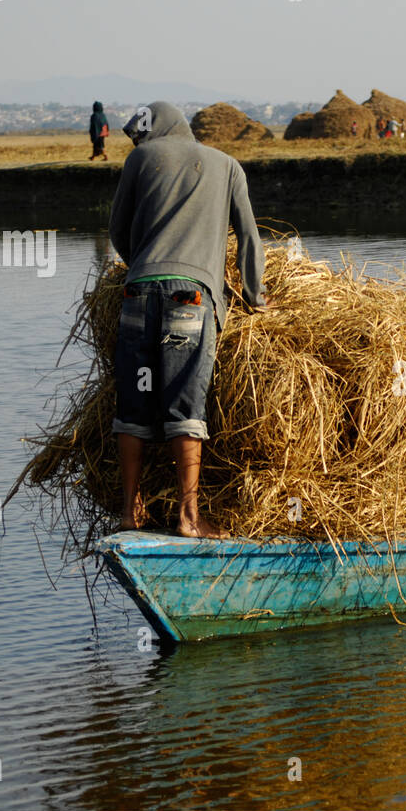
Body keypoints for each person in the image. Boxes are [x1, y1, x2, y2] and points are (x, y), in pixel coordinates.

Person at [108, 101, 269, 538]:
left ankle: (128, 512)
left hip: (138, 295)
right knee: (184, 405)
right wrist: (256, 296)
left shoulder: (140, 158)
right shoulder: (228, 165)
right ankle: (189, 517)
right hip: (191, 299)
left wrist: (141, 263)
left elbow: (117, 231)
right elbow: (250, 237)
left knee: (135, 404)